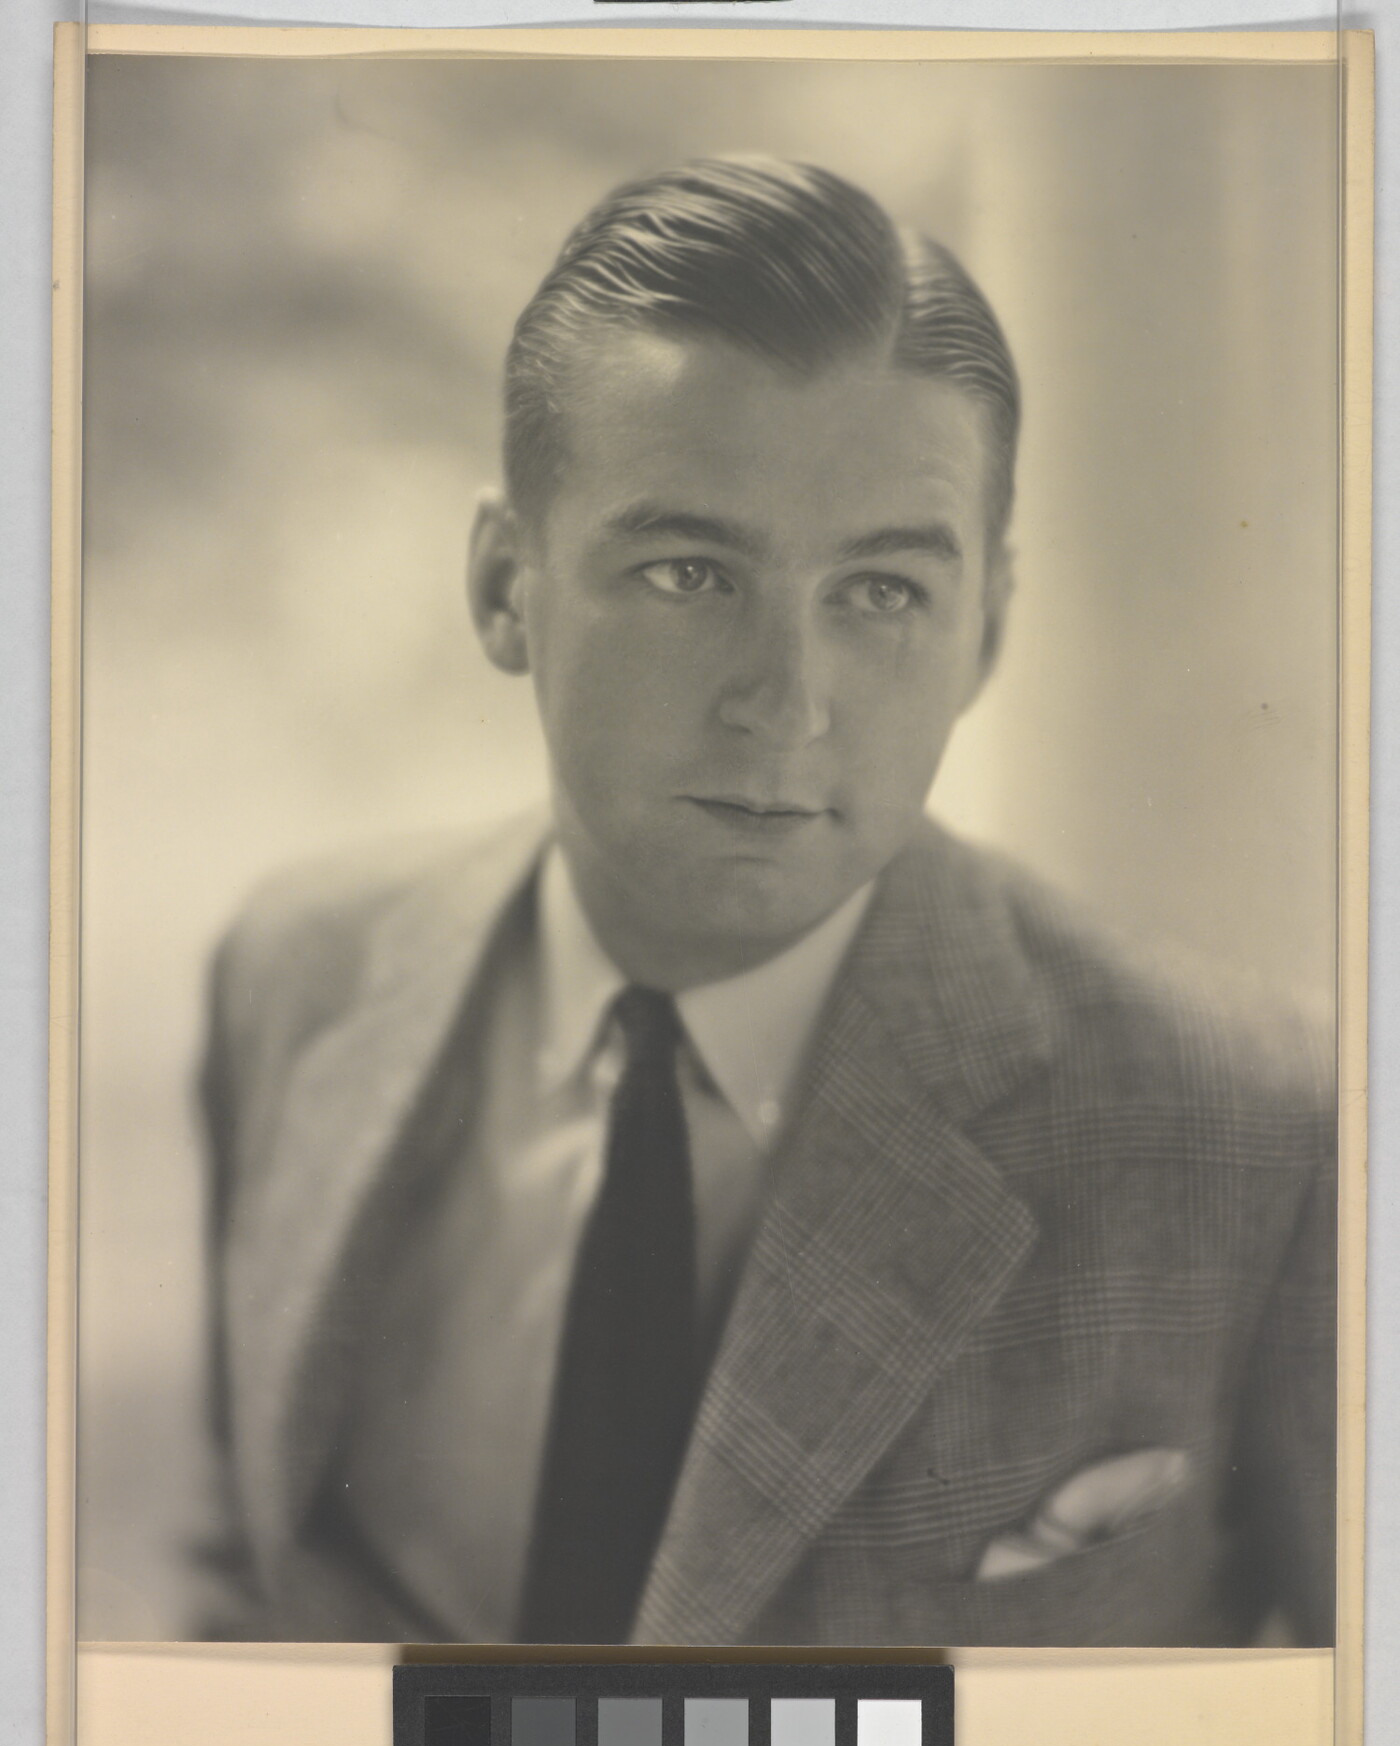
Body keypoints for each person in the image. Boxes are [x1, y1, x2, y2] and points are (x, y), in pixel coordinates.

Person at [196, 155, 1335, 1647]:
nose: (787, 708)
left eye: (880, 594)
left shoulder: (1257, 1128)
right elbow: (244, 1600)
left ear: (985, 631)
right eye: (687, 573)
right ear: (502, 590)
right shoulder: (296, 972)